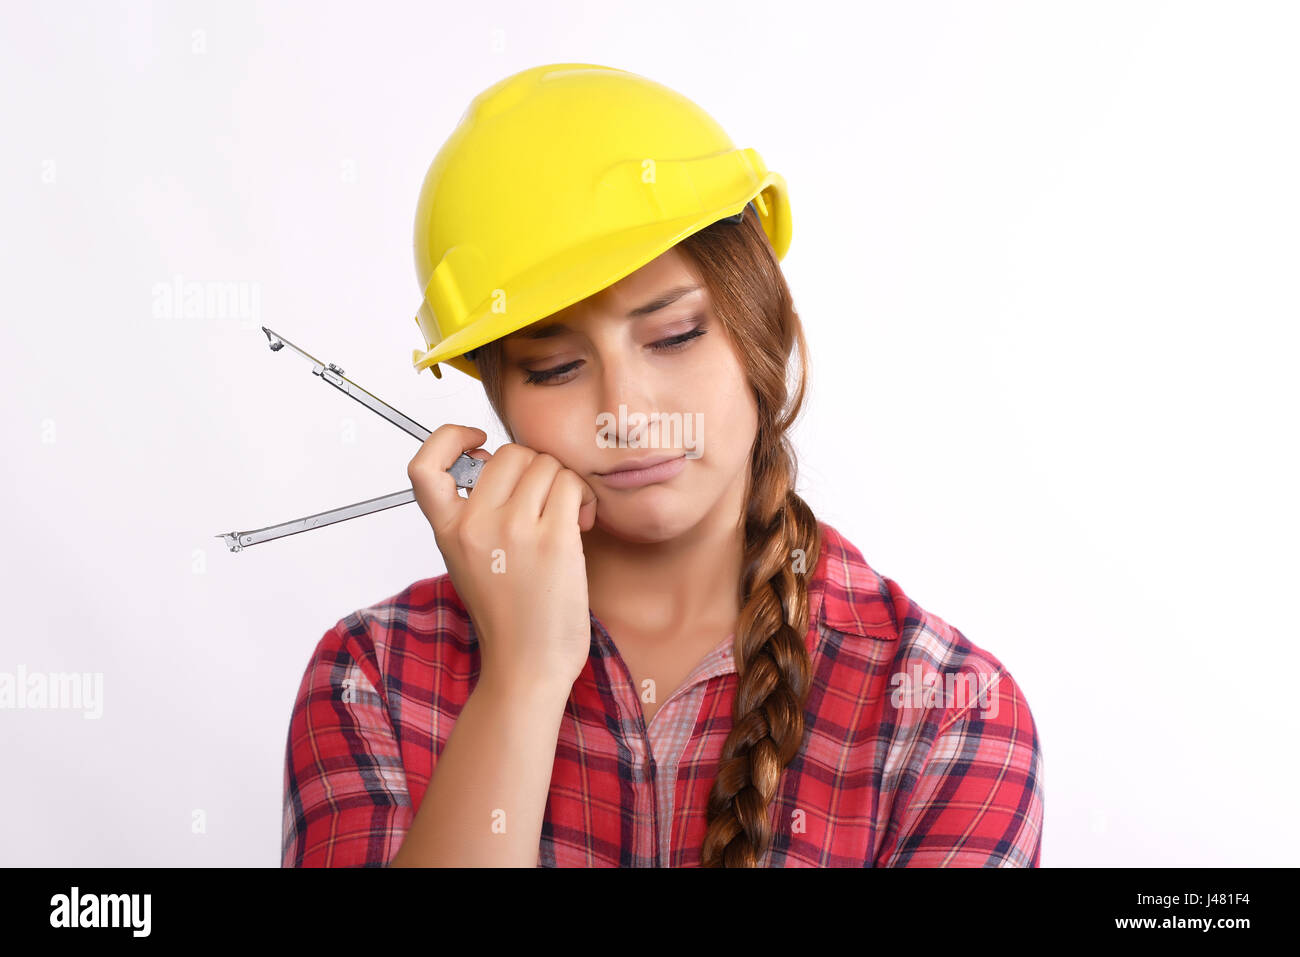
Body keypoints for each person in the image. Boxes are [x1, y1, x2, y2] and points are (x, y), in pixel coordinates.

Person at [281, 63, 1044, 868]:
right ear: (498, 394)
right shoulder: (372, 678)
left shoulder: (948, 716)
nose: (628, 413)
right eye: (553, 367)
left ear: (763, 328)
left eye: (676, 336)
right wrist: (523, 679)